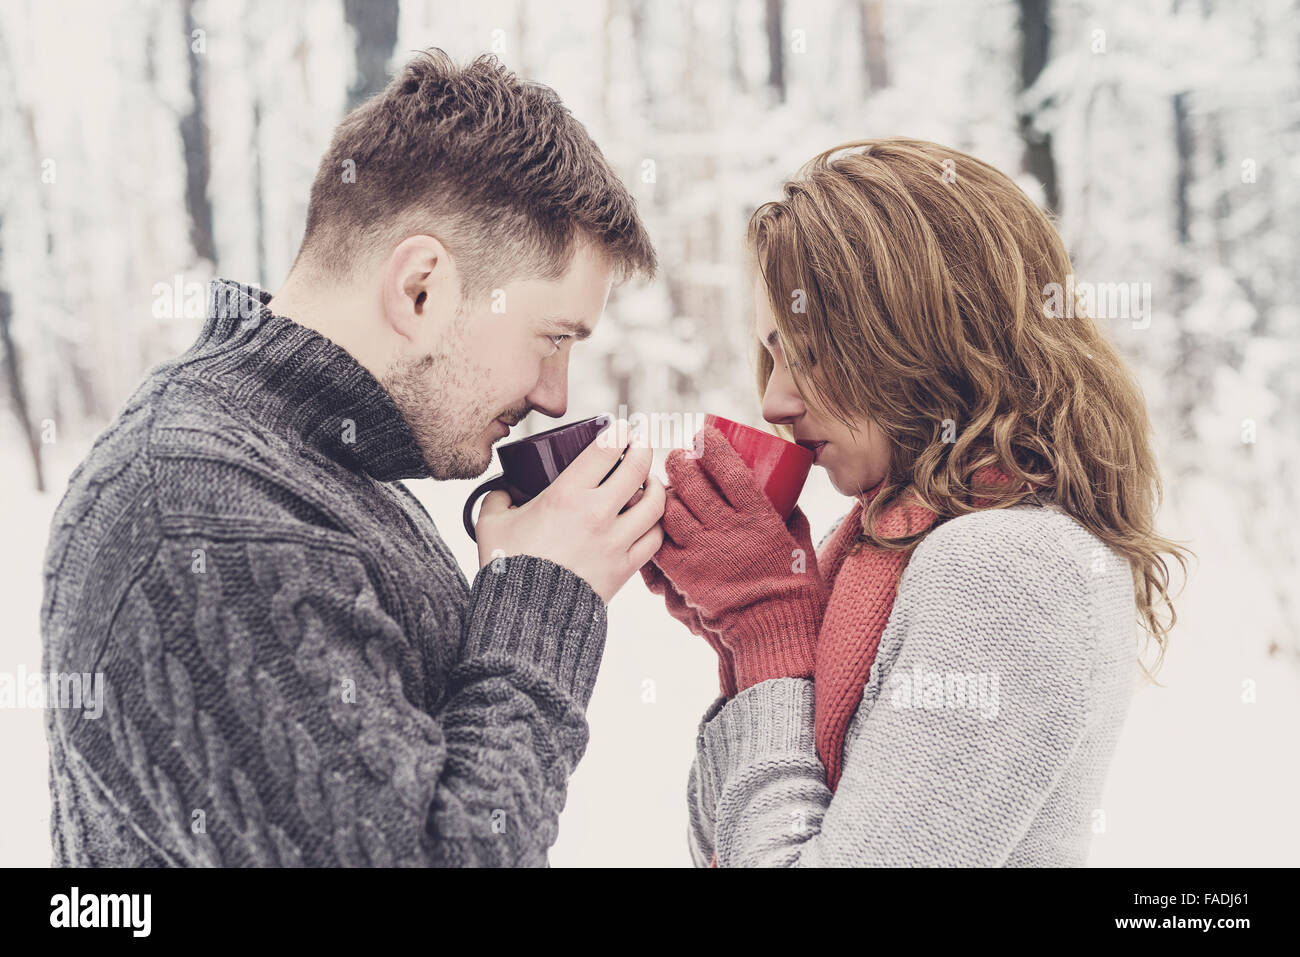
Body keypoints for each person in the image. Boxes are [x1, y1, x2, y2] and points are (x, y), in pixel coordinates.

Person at [41, 49, 664, 867]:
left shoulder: (316, 469)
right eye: (552, 338)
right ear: (421, 289)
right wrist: (540, 606)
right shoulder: (198, 513)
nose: (555, 394)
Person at [643, 137, 1193, 867]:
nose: (774, 399)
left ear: (921, 334)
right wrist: (749, 647)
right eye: (770, 355)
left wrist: (768, 631)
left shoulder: (1009, 565)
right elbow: (729, 845)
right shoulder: (896, 545)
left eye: (805, 352)